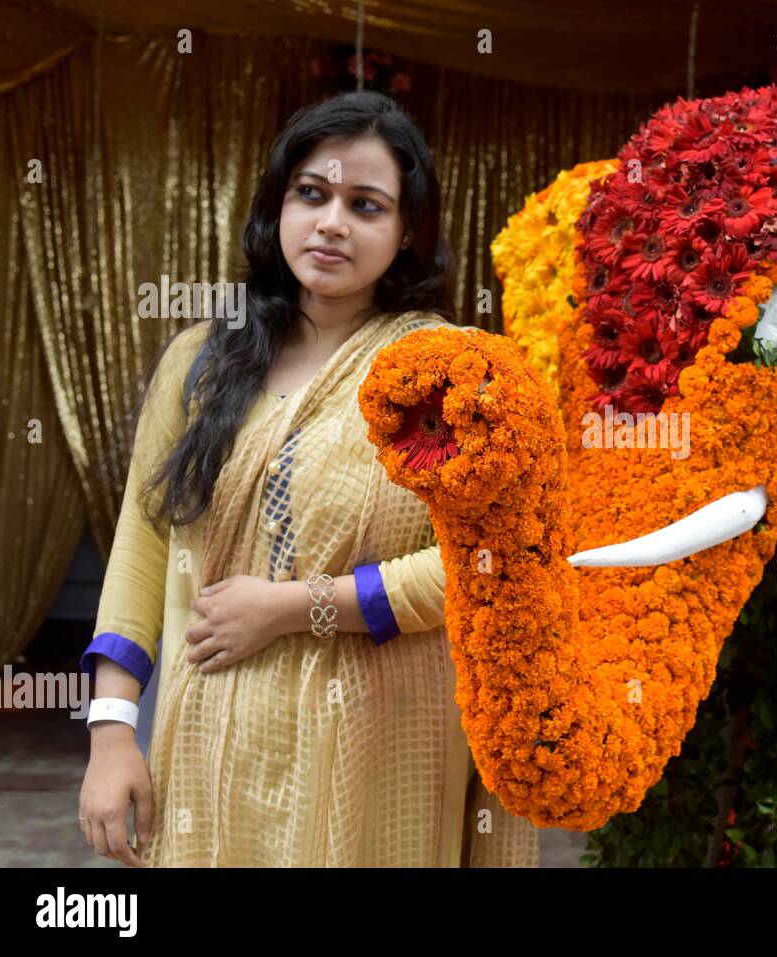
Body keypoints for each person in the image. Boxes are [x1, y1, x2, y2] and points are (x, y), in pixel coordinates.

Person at [76, 91, 539, 867]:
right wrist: (111, 731)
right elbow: (142, 544)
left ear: (406, 235)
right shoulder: (201, 360)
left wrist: (295, 608)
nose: (331, 222)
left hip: (383, 751)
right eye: (311, 194)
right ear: (277, 205)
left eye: (366, 204)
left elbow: (483, 566)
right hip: (213, 744)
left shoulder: (450, 376)